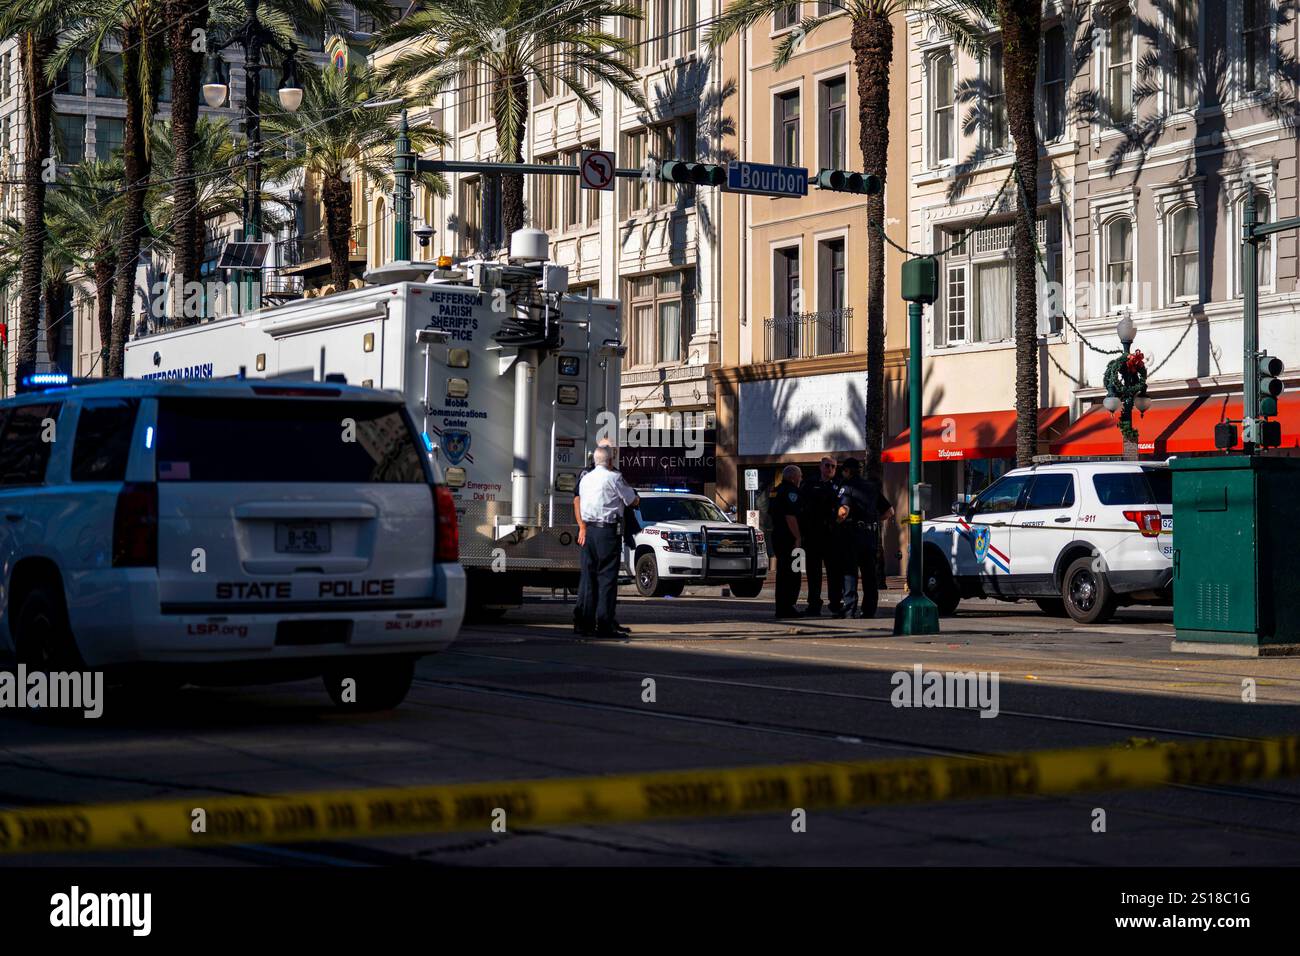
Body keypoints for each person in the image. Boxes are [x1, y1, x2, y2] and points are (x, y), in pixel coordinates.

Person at [577, 446, 640, 638]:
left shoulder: (585, 479)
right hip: (606, 532)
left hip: (588, 532)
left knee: (589, 579)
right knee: (607, 579)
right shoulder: (614, 478)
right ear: (610, 461)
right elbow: (631, 501)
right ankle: (604, 625)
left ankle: (585, 624)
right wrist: (636, 499)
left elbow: (578, 501)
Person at [832, 457, 893, 619]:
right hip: (870, 536)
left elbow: (843, 511)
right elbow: (889, 512)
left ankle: (849, 609)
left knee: (849, 573)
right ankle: (869, 609)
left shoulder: (847, 486)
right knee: (869, 574)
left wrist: (836, 522)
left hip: (852, 535)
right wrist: (871, 520)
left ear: (847, 471)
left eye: (843, 470)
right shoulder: (872, 487)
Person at [800, 456, 842, 616]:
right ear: (820, 466)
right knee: (813, 572)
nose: (830, 469)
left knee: (834, 572)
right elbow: (801, 508)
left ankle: (836, 603)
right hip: (813, 534)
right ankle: (814, 604)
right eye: (827, 465)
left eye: (833, 466)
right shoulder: (810, 484)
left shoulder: (840, 485)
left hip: (832, 535)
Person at [769, 464, 804, 618]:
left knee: (783, 573)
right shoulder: (791, 492)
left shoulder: (775, 491)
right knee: (793, 573)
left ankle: (782, 606)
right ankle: (788, 606)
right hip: (789, 538)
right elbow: (790, 516)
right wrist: (798, 537)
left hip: (777, 535)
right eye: (800, 476)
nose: (801, 479)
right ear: (793, 477)